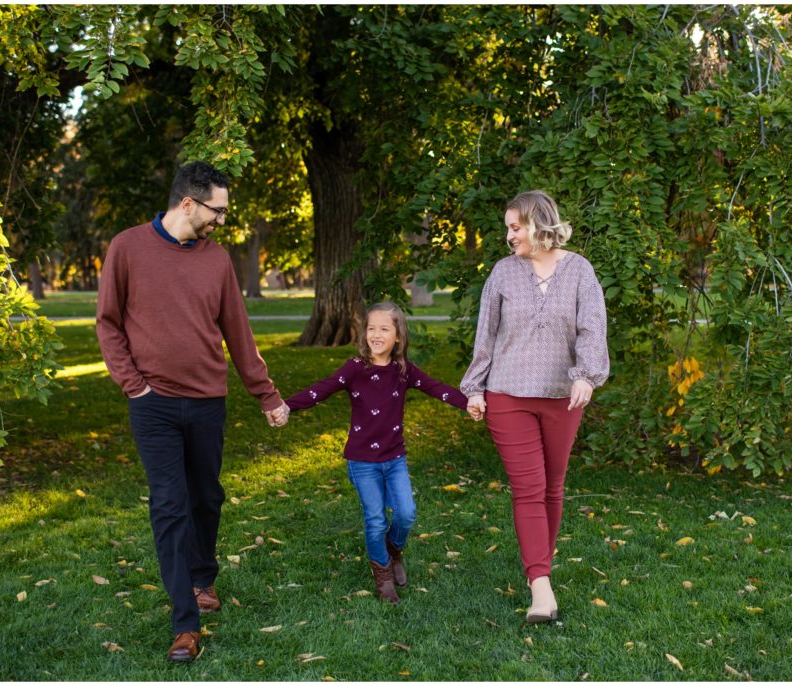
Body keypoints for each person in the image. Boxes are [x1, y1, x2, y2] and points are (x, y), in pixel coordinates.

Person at [96, 161, 289, 662]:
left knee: (206, 497)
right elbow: (108, 323)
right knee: (169, 506)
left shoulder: (216, 260)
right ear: (188, 203)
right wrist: (133, 386)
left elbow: (238, 333)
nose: (221, 221)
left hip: (207, 402)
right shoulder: (127, 248)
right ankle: (185, 622)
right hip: (152, 405)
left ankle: (203, 577)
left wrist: (265, 393)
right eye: (217, 211)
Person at [460, 190, 608, 624]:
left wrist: (586, 374)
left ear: (539, 223)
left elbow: (592, 329)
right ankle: (540, 586)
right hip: (508, 395)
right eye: (508, 228)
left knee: (553, 487)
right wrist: (475, 388)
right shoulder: (503, 274)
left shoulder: (580, 271)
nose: (509, 236)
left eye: (515, 226)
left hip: (563, 397)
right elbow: (484, 336)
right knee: (528, 489)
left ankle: (540, 559)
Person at [283, 302, 468, 604]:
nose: (376, 335)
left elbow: (437, 388)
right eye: (371, 328)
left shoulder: (404, 370)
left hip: (394, 459)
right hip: (362, 462)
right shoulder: (355, 368)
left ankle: (393, 551)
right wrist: (288, 405)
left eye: (385, 329)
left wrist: (468, 403)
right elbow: (323, 388)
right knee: (376, 520)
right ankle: (382, 573)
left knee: (406, 514)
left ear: (398, 336)